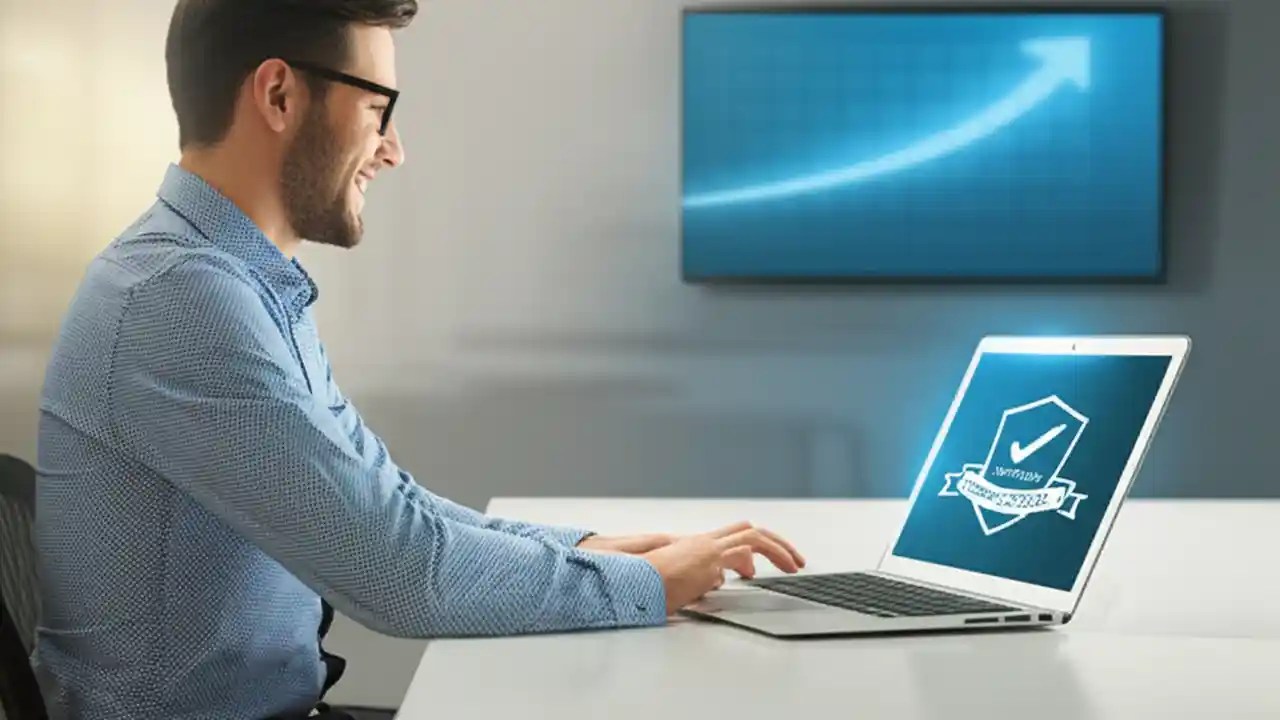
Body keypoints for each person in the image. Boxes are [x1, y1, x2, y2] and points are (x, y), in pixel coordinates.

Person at [32, 1, 806, 718]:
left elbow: (391, 506)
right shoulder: (184, 300)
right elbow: (401, 576)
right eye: (377, 109)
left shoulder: (236, 283)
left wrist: (585, 551)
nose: (393, 151)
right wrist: (643, 586)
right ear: (278, 96)